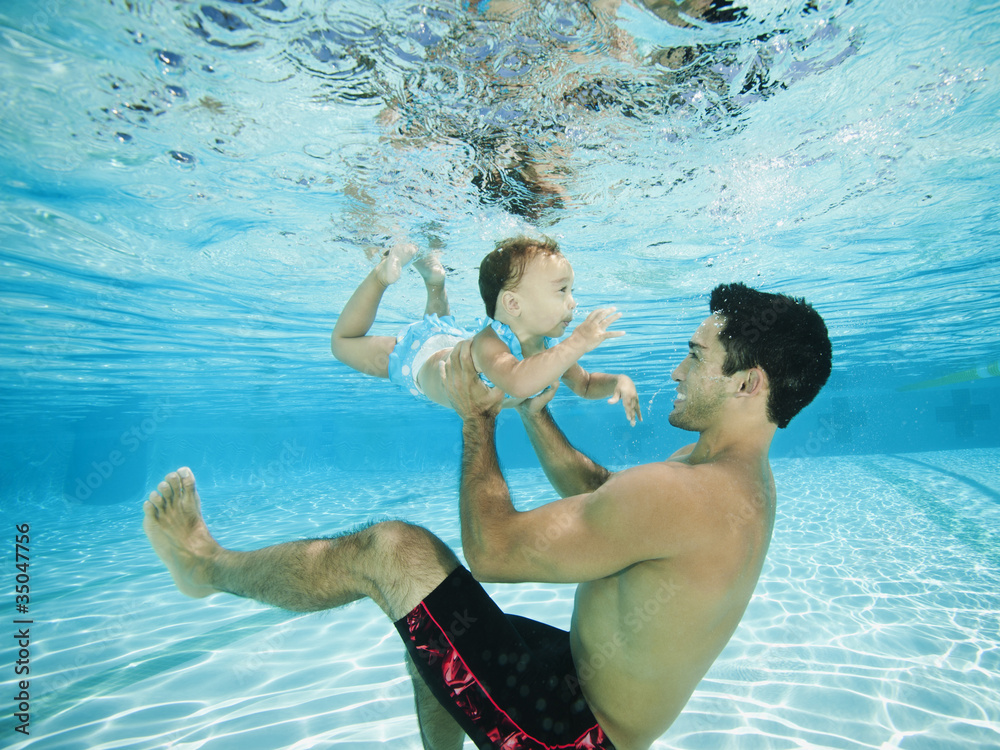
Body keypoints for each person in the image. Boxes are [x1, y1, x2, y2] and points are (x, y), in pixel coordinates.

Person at [143, 281, 831, 750]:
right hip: (584, 691)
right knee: (435, 626)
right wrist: (536, 411)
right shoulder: (730, 476)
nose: (676, 371)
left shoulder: (687, 493)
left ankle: (206, 568)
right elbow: (604, 496)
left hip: (568, 734)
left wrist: (479, 419)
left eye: (694, 356)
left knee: (395, 552)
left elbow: (493, 552)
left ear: (750, 382)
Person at [331, 235, 642, 424]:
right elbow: (518, 382)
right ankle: (381, 276)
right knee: (342, 344)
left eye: (571, 291)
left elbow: (584, 384)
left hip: (451, 342)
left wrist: (619, 381)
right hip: (416, 360)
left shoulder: (545, 346)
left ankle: (435, 282)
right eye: (562, 291)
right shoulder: (489, 345)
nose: (573, 303)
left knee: (441, 325)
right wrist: (577, 343)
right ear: (514, 304)